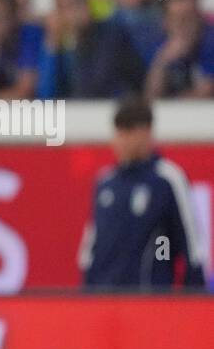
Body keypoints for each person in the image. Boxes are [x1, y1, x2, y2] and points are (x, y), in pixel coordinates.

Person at [79, 96, 206, 290]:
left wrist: (191, 294)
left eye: (127, 133)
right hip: (103, 303)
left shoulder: (167, 179)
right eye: (118, 133)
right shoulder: (106, 182)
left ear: (145, 132)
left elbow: (190, 245)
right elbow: (91, 247)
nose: (119, 141)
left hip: (148, 301)